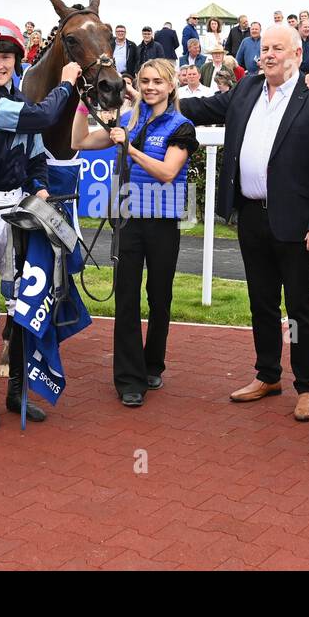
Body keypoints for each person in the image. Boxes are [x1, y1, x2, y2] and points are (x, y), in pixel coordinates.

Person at [180, 25, 309, 422]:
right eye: (264, 48)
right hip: (250, 216)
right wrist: (157, 97)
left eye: (277, 48)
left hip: (296, 221)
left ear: (297, 53)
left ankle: (308, 386)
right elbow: (203, 108)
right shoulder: (247, 89)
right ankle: (267, 374)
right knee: (261, 301)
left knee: (300, 308)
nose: (267, 54)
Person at [0, 18, 78, 429]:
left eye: (6, 56)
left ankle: (17, 392)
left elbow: (36, 154)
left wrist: (40, 186)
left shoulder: (18, 99)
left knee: (24, 302)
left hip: (18, 208)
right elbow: (41, 118)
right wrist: (67, 82)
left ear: (15, 61)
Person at [73, 59, 197, 406]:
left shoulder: (181, 126)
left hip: (162, 222)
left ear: (171, 86)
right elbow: (79, 139)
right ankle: (128, 379)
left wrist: (128, 147)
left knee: (159, 297)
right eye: (144, 81)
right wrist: (84, 103)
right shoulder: (127, 119)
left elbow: (168, 172)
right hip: (127, 219)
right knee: (126, 297)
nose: (150, 87)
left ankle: (153, 363)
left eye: (158, 81)